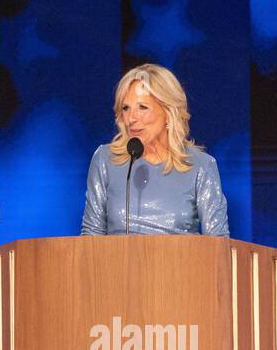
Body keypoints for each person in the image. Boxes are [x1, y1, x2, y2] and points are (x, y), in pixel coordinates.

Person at [80, 63, 229, 237]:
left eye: (142, 107)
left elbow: (218, 243)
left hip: (181, 264)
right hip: (117, 263)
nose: (131, 118)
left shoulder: (200, 165)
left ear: (168, 111)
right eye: (126, 108)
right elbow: (91, 235)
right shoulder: (105, 159)